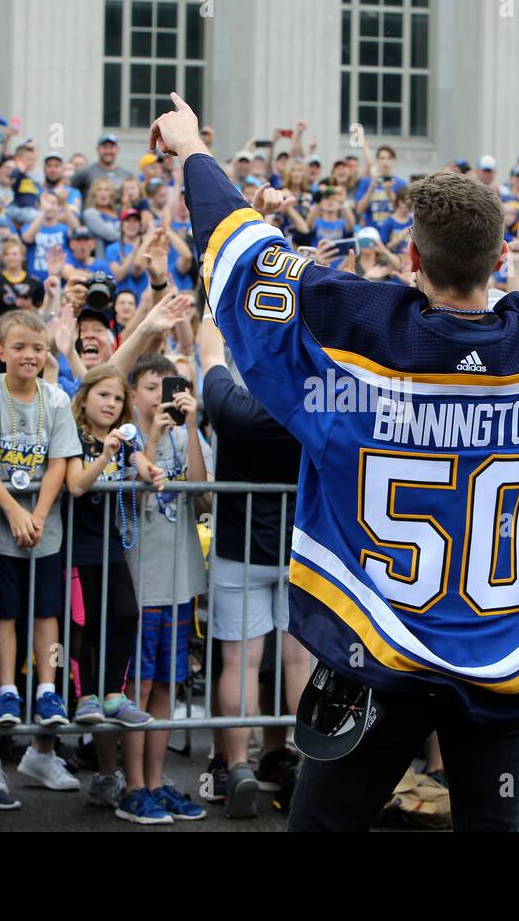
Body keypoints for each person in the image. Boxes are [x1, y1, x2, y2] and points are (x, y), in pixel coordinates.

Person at [149, 94, 519, 831]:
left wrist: (190, 149)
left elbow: (240, 254)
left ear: (412, 258)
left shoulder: (357, 334)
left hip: (376, 654)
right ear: (502, 261)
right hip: (503, 657)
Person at [0, 310, 82, 790]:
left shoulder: (56, 398)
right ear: (1, 351)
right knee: (7, 611)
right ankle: (8, 690)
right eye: (19, 347)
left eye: (38, 348)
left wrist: (37, 513)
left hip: (43, 525)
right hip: (1, 523)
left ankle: (47, 690)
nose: (29, 355)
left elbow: (58, 464)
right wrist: (13, 510)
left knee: (47, 611)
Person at [198, 316, 309, 818]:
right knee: (297, 663)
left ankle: (237, 764)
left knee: (239, 663)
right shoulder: (311, 405)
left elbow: (206, 358)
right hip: (297, 551)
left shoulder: (234, 408)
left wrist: (210, 316)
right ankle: (305, 760)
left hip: (238, 551)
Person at [65, 365, 165, 822]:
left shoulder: (123, 437)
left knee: (125, 614)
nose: (111, 404)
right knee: (86, 622)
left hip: (109, 545)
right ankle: (87, 695)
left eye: (117, 399)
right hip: (74, 548)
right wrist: (106, 455)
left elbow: (143, 466)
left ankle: (111, 694)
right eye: (103, 396)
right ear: (84, 398)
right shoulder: (72, 436)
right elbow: (77, 485)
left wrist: (151, 469)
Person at [117, 352, 211, 824]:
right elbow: (132, 491)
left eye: (168, 387)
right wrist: (152, 435)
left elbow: (202, 495)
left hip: (179, 579)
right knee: (138, 685)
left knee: (168, 685)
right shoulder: (126, 439)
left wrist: (191, 428)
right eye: (151, 388)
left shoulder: (188, 434)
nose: (161, 397)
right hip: (138, 582)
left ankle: (157, 781)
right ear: (133, 393)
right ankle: (130, 784)